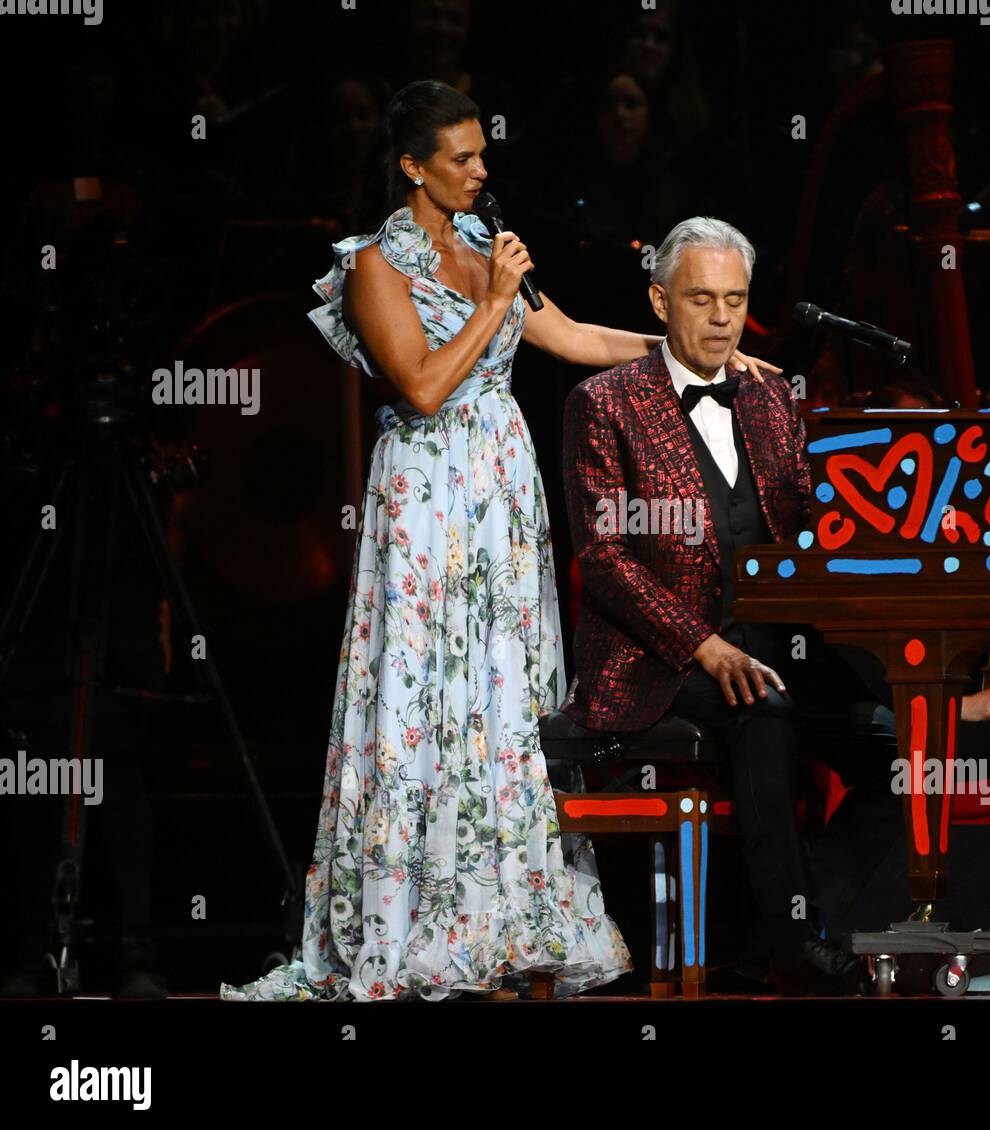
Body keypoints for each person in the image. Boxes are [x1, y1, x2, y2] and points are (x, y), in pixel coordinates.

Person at [219, 81, 774, 1002]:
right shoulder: (373, 266)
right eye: (462, 157)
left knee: (503, 690)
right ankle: (414, 916)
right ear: (413, 166)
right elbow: (422, 384)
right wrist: (497, 299)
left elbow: (575, 339)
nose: (481, 170)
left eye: (483, 153)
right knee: (426, 688)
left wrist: (691, 356)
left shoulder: (487, 244)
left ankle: (502, 911)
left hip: (502, 495)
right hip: (428, 492)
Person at [561, 217, 906, 995]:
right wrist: (706, 647)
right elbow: (605, 560)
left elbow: (809, 523)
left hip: (777, 641)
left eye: (736, 300)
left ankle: (787, 927)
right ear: (660, 302)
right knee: (764, 715)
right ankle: (797, 951)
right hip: (660, 658)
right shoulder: (602, 402)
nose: (722, 318)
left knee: (904, 752)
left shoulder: (772, 396)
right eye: (701, 299)